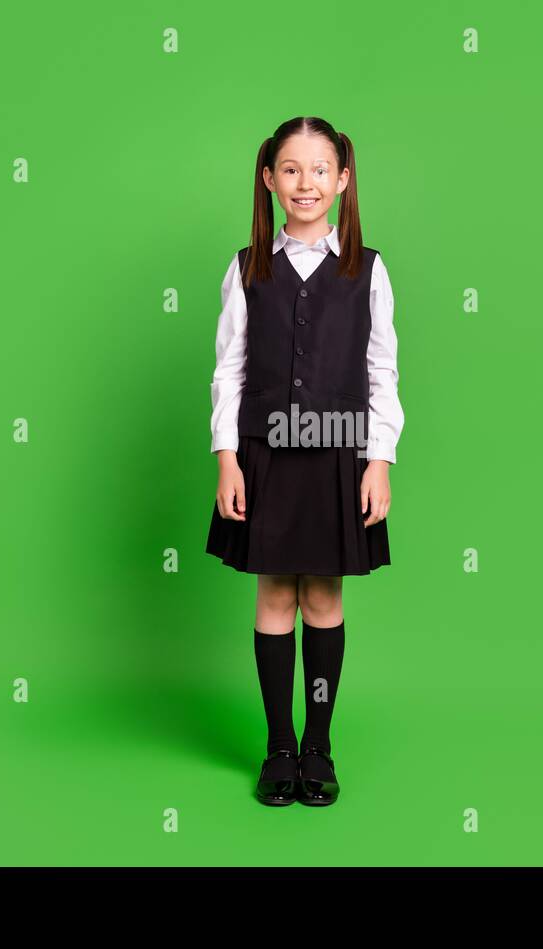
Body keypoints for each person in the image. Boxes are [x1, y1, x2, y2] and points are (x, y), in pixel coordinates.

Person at [205, 116, 405, 807]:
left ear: (344, 181)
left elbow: (383, 372)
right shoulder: (247, 267)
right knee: (274, 596)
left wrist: (378, 460)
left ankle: (318, 746)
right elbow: (228, 371)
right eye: (291, 169)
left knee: (322, 595)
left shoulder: (367, 270)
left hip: (337, 456)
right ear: (268, 179)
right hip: (263, 453)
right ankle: (278, 746)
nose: (306, 183)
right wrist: (227, 458)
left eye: (320, 169)